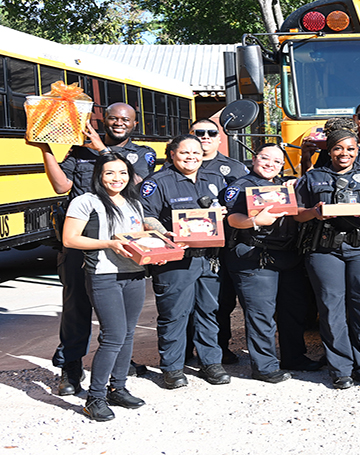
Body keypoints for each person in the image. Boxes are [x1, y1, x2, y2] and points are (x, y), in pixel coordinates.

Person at [37, 102, 156, 396]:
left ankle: (117, 371)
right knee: (76, 308)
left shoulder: (142, 154)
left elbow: (137, 187)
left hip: (120, 248)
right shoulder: (78, 151)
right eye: (113, 118)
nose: (118, 123)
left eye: (125, 119)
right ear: (104, 121)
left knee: (121, 318)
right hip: (80, 242)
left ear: (134, 123)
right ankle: (71, 369)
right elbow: (61, 185)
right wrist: (46, 149)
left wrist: (103, 150)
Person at [294, 124, 360, 389]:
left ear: (356, 150)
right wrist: (314, 212)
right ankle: (340, 368)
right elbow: (296, 213)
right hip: (325, 250)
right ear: (330, 149)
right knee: (331, 308)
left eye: (350, 148)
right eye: (338, 148)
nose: (344, 153)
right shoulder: (313, 177)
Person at [223, 144, 325, 384]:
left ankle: (294, 357)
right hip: (255, 256)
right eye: (265, 158)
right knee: (261, 314)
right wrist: (255, 220)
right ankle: (265, 366)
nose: (270, 164)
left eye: (277, 161)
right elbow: (231, 218)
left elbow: (297, 211)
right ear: (254, 159)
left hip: (288, 255)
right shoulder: (240, 187)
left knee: (294, 311)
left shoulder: (285, 186)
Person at [61, 153, 151, 421]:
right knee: (113, 335)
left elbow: (138, 234)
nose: (117, 179)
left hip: (134, 273)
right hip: (104, 274)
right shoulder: (85, 202)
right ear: (99, 174)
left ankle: (118, 388)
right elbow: (70, 239)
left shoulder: (133, 201)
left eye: (123, 173)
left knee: (128, 333)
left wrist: (162, 239)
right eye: (110, 173)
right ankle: (95, 397)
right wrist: (109, 244)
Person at [140, 134, 231, 389]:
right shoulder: (158, 182)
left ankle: (210, 363)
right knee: (174, 315)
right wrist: (164, 233)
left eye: (196, 153)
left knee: (208, 312)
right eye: (184, 153)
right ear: (172, 154)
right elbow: (146, 216)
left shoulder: (214, 179)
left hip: (208, 260)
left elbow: (225, 208)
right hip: (176, 261)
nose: (191, 157)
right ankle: (172, 368)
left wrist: (223, 213)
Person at [190, 119, 249, 365]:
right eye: (199, 133)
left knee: (221, 301)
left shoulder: (235, 168)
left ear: (219, 138)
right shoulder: (182, 164)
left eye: (211, 133)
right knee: (187, 303)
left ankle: (219, 347)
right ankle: (183, 351)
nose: (205, 136)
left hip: (225, 245)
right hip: (190, 245)